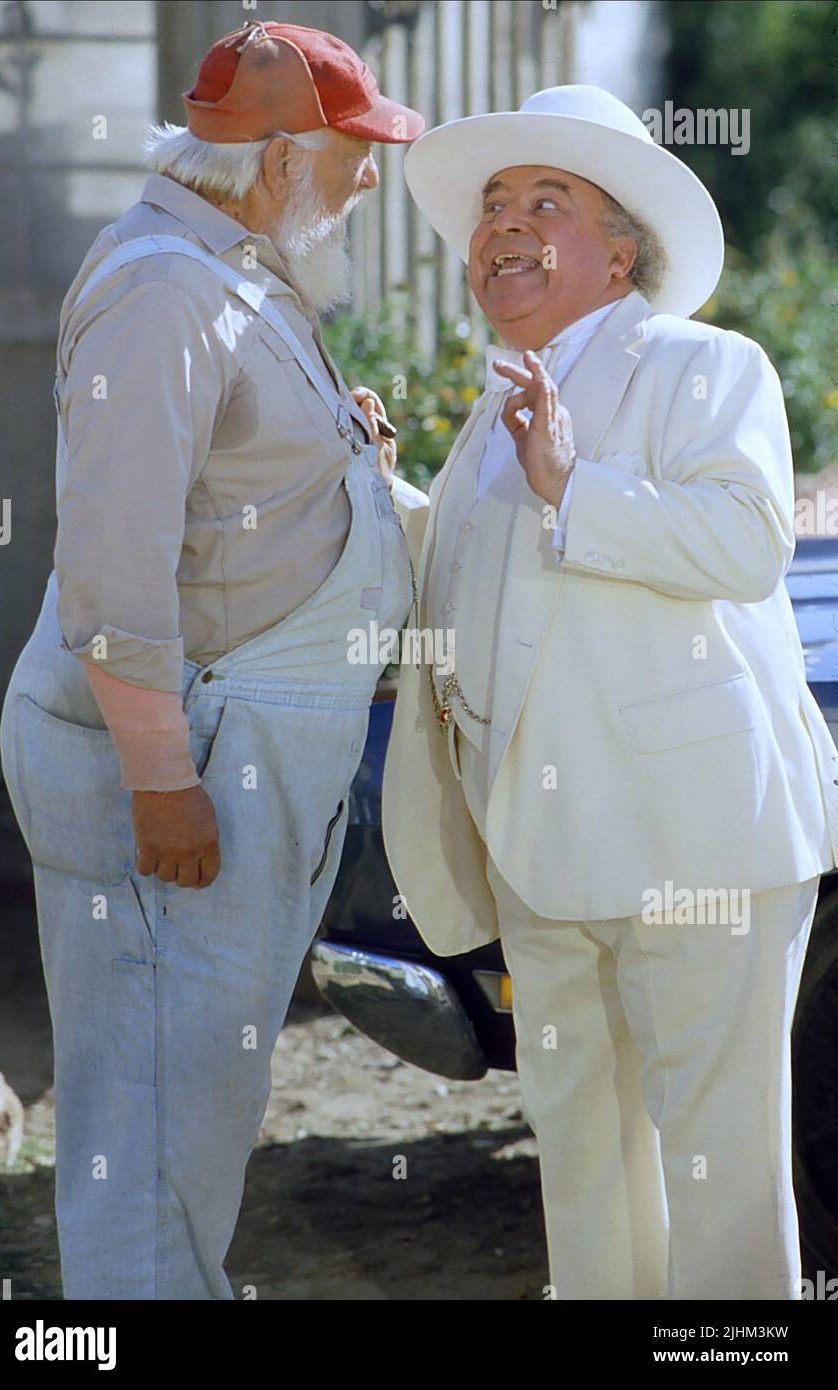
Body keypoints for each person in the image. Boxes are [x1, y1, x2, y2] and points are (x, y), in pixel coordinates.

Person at [383, 84, 838, 1300]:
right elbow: (475, 587)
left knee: (720, 1182)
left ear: (620, 250)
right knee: (584, 1180)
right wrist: (384, 494)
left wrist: (574, 485)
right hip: (546, 854)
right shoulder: (490, 415)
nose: (507, 224)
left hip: (707, 850)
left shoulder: (707, 365)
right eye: (493, 205)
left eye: (549, 200)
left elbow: (747, 544)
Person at [0, 19, 426, 1300]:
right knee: (144, 1132)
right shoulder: (163, 287)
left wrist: (351, 460)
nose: (371, 176)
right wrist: (162, 783)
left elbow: (221, 485)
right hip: (179, 777)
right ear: (285, 160)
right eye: (358, 154)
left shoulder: (227, 261)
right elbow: (116, 565)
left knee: (190, 1113)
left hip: (227, 756)